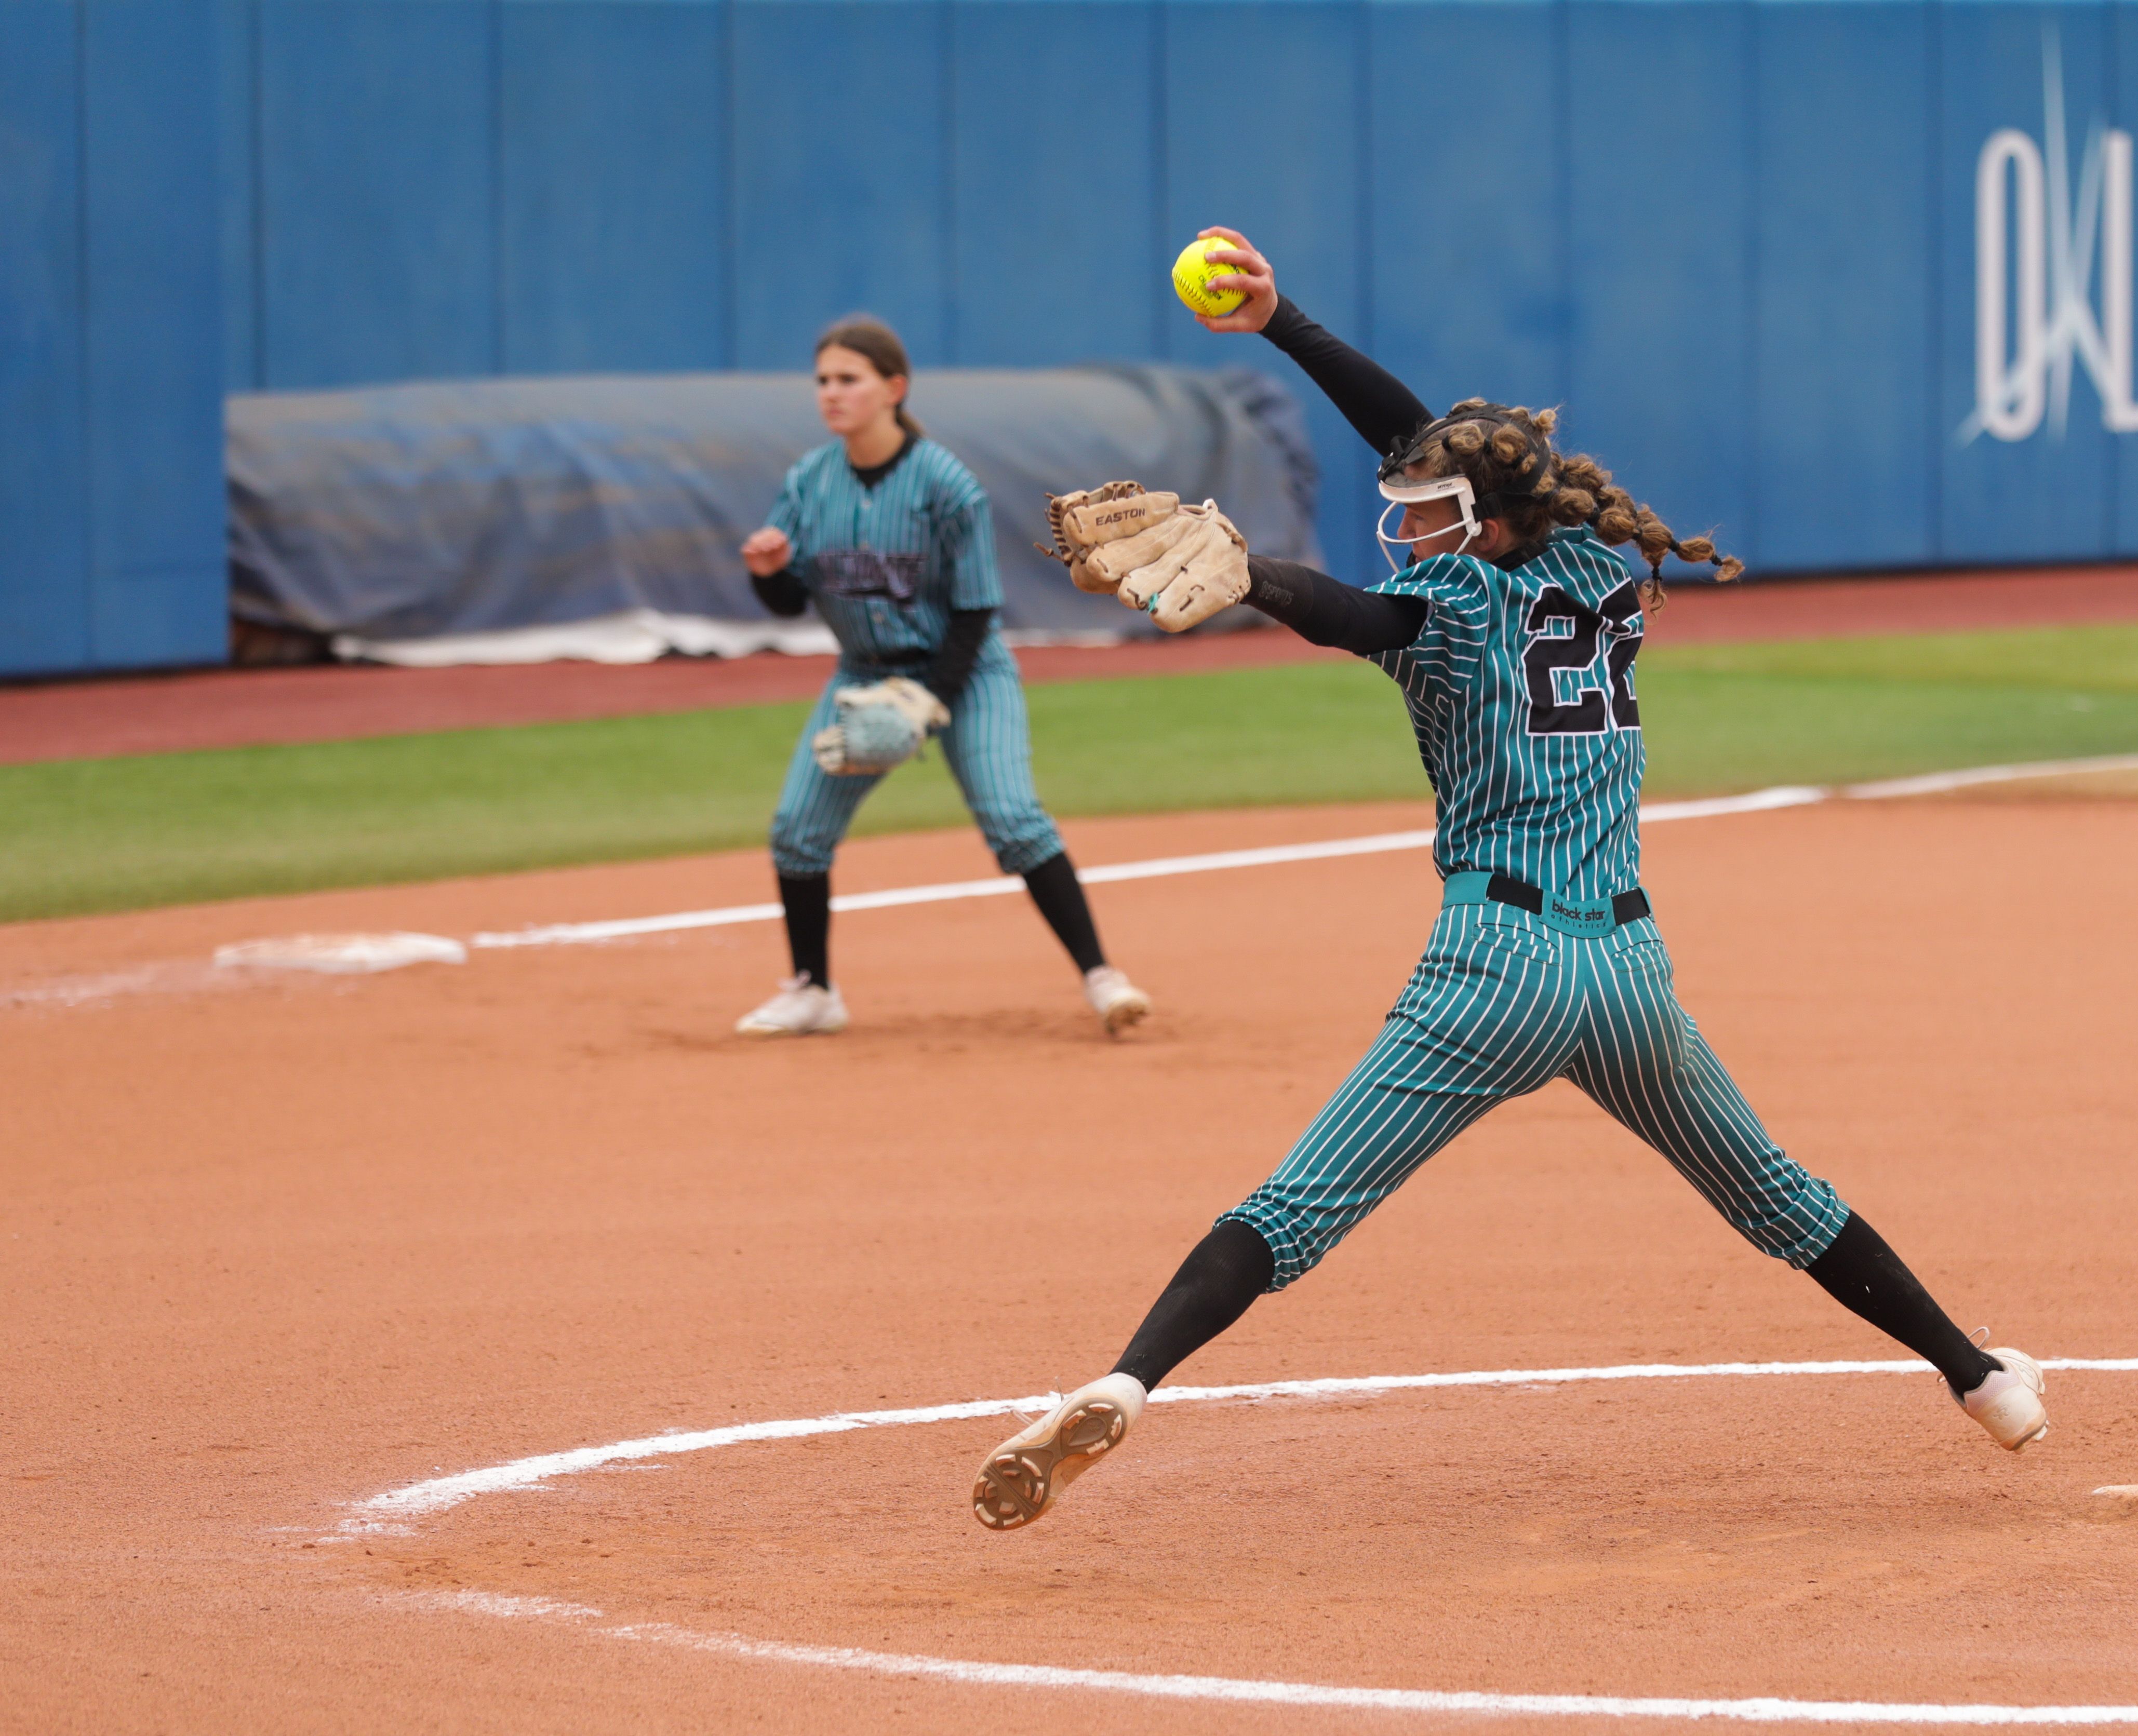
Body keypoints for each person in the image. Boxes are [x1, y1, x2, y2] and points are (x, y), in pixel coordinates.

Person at [971, 232, 2046, 1529]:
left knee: (1297, 1207)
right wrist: (1281, 322)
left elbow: (1351, 613)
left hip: (1495, 973)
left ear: (1486, 521)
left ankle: (1127, 1382)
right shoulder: (1599, 572)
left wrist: (1252, 576)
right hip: (1627, 975)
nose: (1409, 522)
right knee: (1776, 1196)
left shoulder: (1459, 605)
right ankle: (1980, 1380)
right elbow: (1429, 441)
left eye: (1429, 512)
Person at [736, 316, 1152, 1038]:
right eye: (823, 381)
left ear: (892, 389)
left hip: (967, 670)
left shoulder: (947, 484)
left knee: (1013, 820)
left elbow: (975, 611)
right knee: (796, 831)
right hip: (862, 675)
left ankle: (1101, 976)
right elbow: (791, 598)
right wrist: (768, 574)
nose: (830, 394)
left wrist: (927, 700)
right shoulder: (808, 481)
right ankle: (813, 991)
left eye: (848, 380)